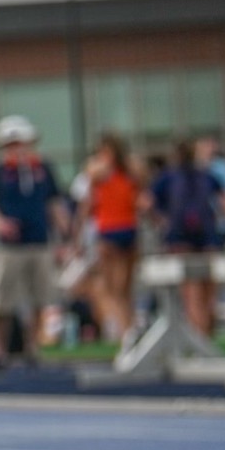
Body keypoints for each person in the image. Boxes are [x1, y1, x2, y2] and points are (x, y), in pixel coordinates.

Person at [0, 116, 69, 368]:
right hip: (9, 247)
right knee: (1, 300)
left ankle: (33, 347)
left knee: (39, 297)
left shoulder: (42, 168)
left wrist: (65, 235)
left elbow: (53, 202)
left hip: (39, 241)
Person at [150, 139, 225, 339]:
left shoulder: (167, 177)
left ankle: (199, 336)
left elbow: (146, 203)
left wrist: (161, 222)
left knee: (191, 292)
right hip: (207, 236)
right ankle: (206, 332)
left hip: (179, 237)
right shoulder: (207, 175)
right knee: (209, 290)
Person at [78, 134, 142, 343]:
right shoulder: (126, 170)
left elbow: (87, 202)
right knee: (120, 288)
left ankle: (126, 332)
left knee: (115, 288)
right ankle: (128, 328)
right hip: (123, 228)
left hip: (113, 229)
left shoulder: (109, 170)